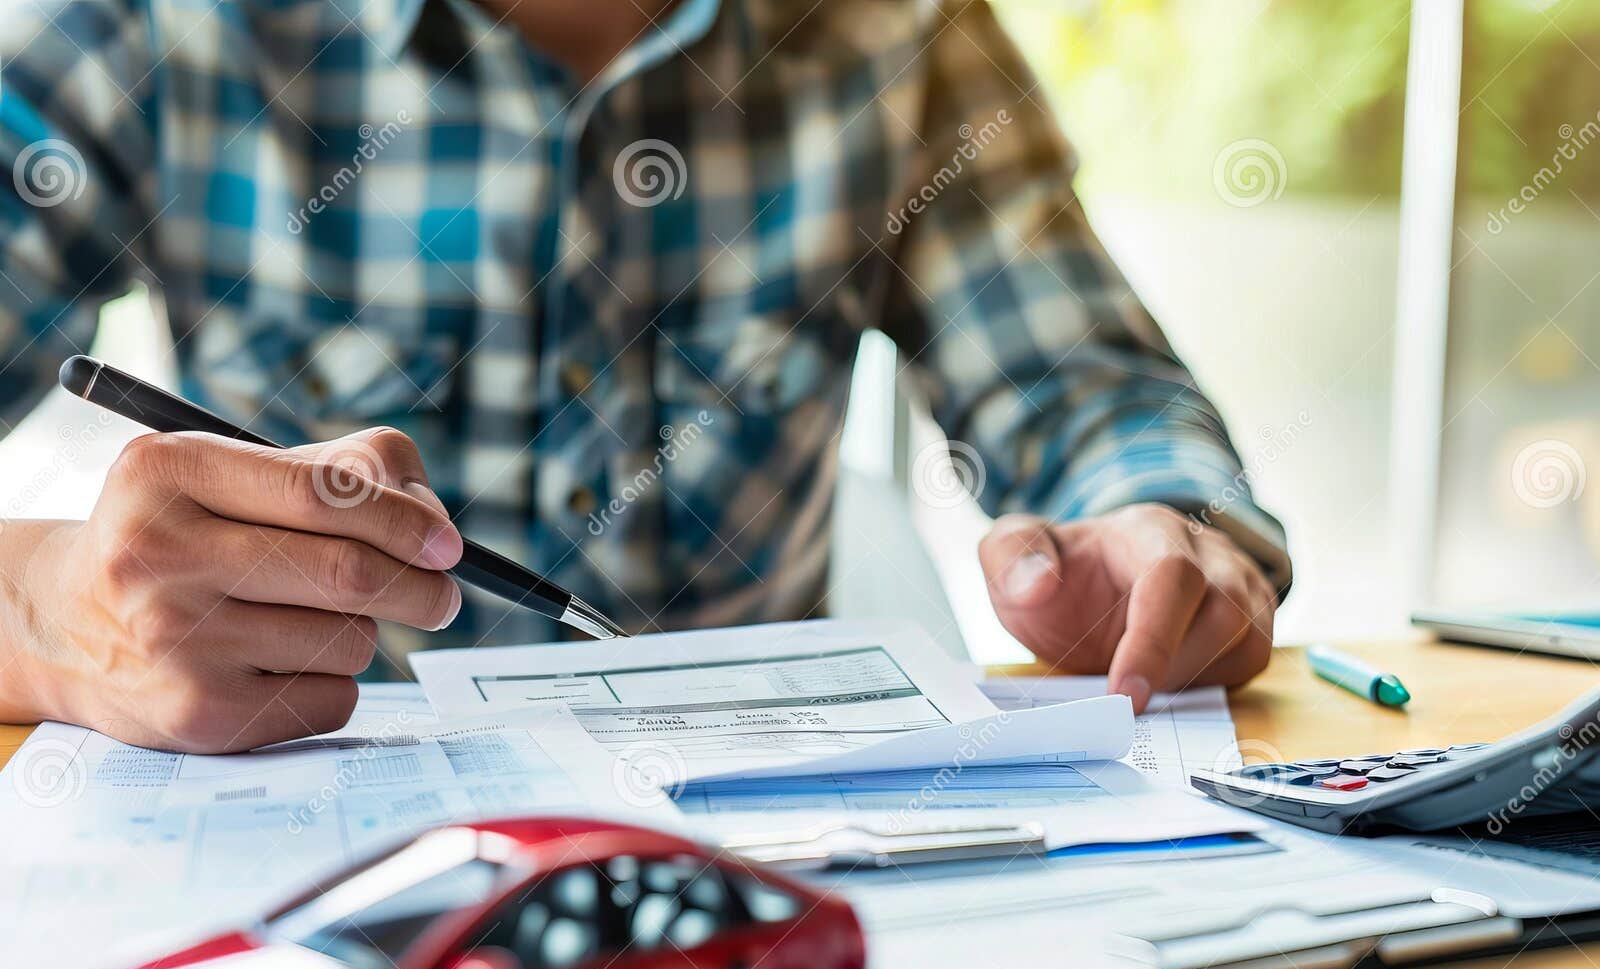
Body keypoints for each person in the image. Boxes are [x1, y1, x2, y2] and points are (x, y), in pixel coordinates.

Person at [0, 0, 1289, 753]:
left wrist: (1160, 531)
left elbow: (1079, 386)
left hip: (760, 874)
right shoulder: (148, 31)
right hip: (297, 890)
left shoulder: (899, 36)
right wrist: (56, 617)